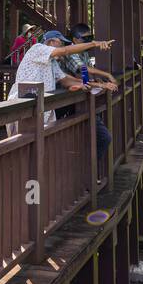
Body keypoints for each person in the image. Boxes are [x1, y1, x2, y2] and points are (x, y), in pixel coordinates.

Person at [6, 30, 113, 134]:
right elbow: (68, 54)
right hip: (24, 101)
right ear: (51, 42)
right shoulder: (38, 48)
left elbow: (66, 80)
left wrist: (100, 84)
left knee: (40, 143)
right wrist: (95, 44)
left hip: (42, 106)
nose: (62, 46)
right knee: (22, 142)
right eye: (61, 43)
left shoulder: (53, 62)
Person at [54, 23, 119, 178]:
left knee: (95, 138)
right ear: (75, 39)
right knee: (102, 137)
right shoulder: (70, 52)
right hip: (69, 102)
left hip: (81, 101)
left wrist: (99, 81)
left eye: (91, 37)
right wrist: (106, 77)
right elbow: (82, 70)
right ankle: (87, 176)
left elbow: (85, 73)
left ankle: (85, 175)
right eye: (86, 38)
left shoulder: (82, 52)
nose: (89, 40)